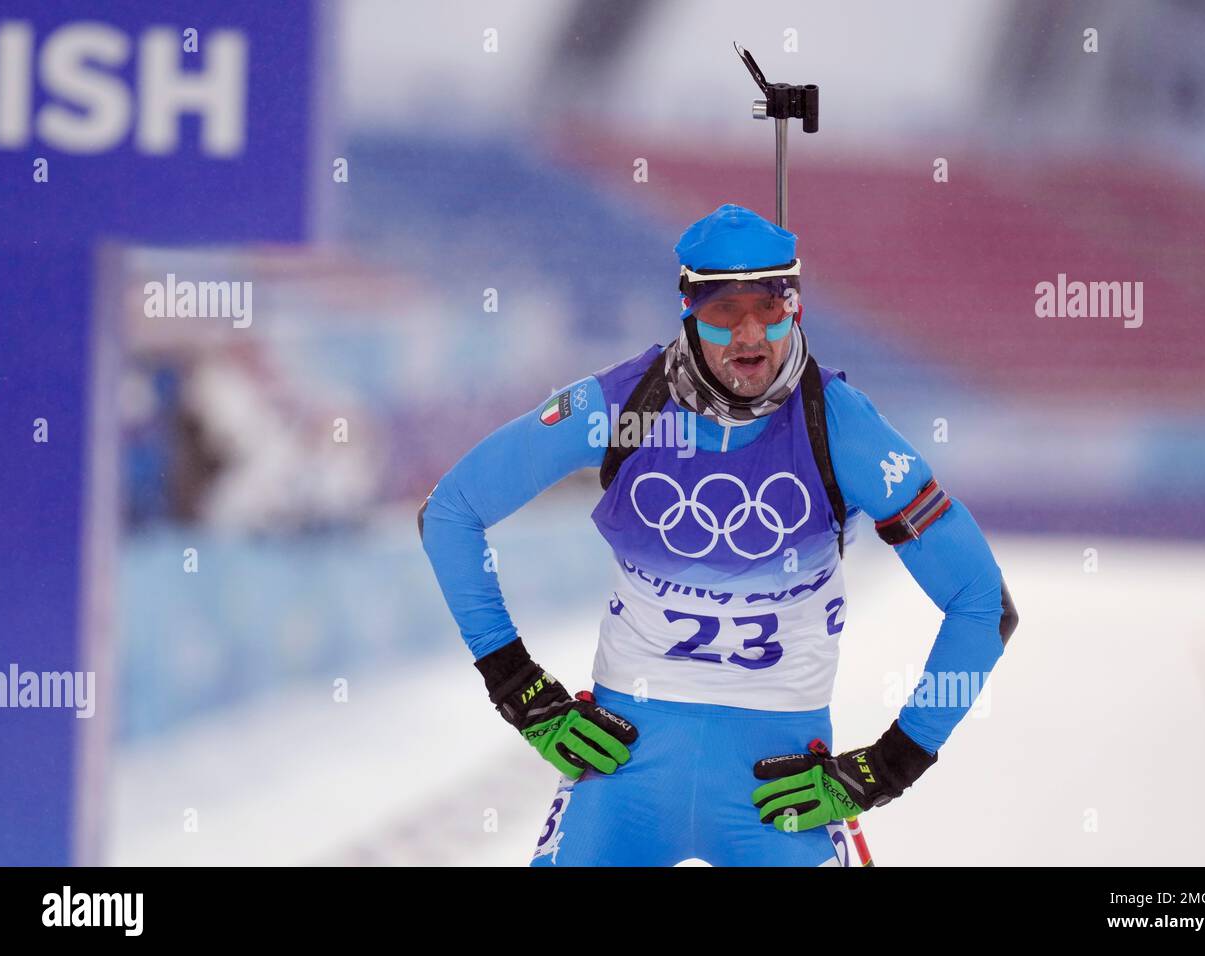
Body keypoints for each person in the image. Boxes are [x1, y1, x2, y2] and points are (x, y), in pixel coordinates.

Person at [419, 203, 1017, 866]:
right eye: (722, 311)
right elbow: (450, 513)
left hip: (777, 792)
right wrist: (519, 688)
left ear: (797, 307)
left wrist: (891, 764)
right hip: (624, 774)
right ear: (687, 313)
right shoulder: (623, 407)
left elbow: (982, 604)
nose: (749, 333)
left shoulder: (837, 425)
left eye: (771, 305)